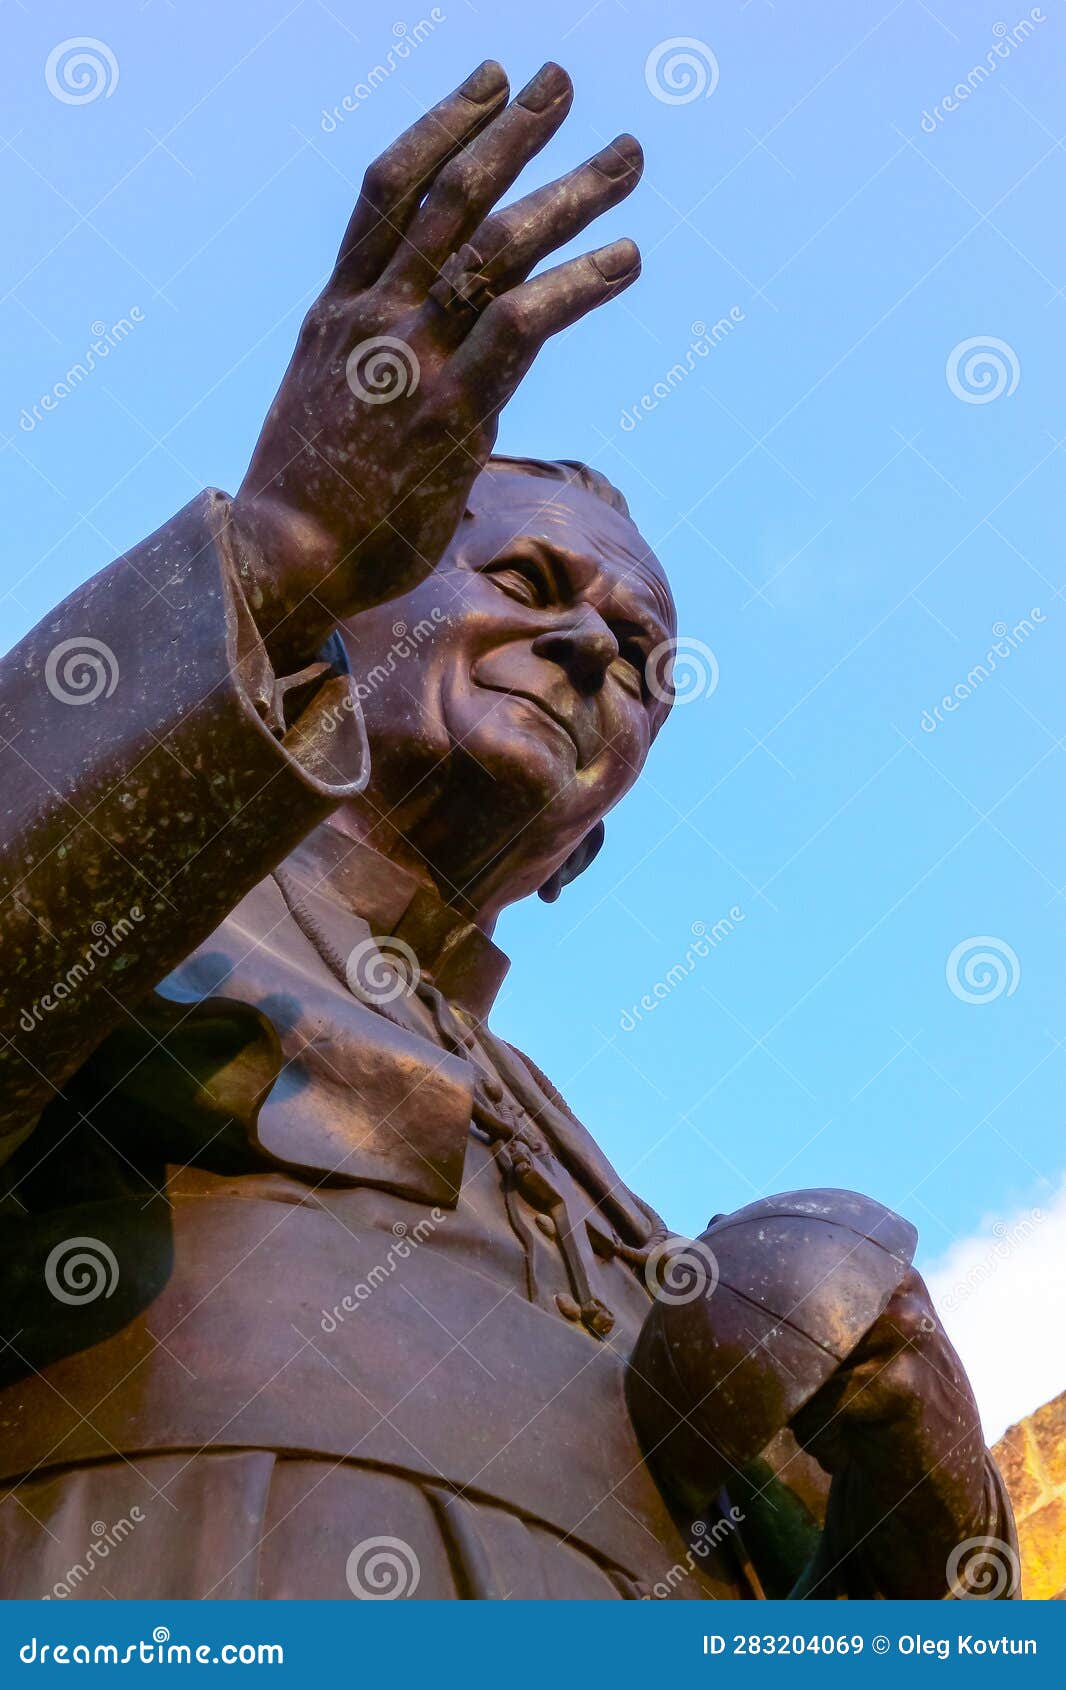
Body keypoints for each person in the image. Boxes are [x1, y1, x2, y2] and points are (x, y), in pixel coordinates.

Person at [0, 63, 1015, 1600]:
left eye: (644, 655)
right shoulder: (118, 900)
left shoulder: (625, 1224)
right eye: (530, 585)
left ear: (581, 852)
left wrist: (921, 1478)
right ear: (346, 619)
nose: (598, 647)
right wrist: (281, 547)